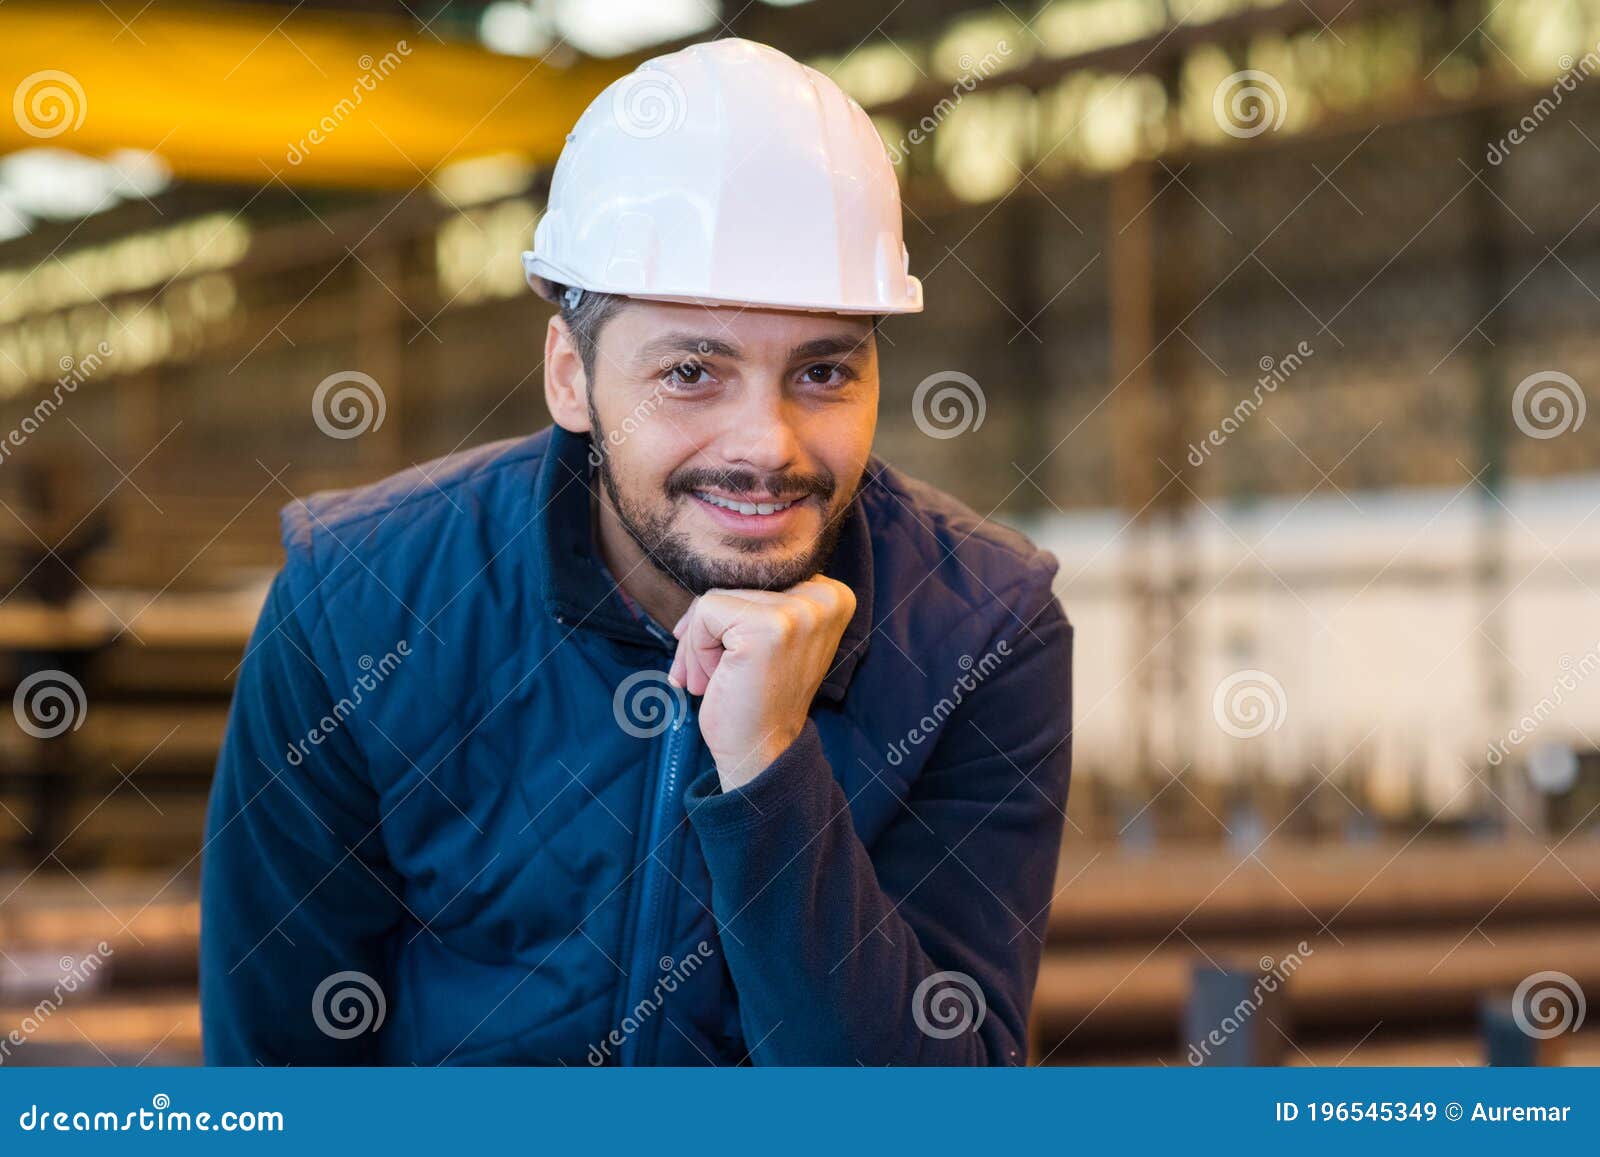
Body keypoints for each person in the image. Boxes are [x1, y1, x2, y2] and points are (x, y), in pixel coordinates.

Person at [201, 37, 1073, 1066]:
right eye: (692, 372)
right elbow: (274, 1080)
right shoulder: (361, 603)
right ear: (570, 377)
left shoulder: (982, 630)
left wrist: (770, 773)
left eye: (824, 371)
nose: (767, 445)